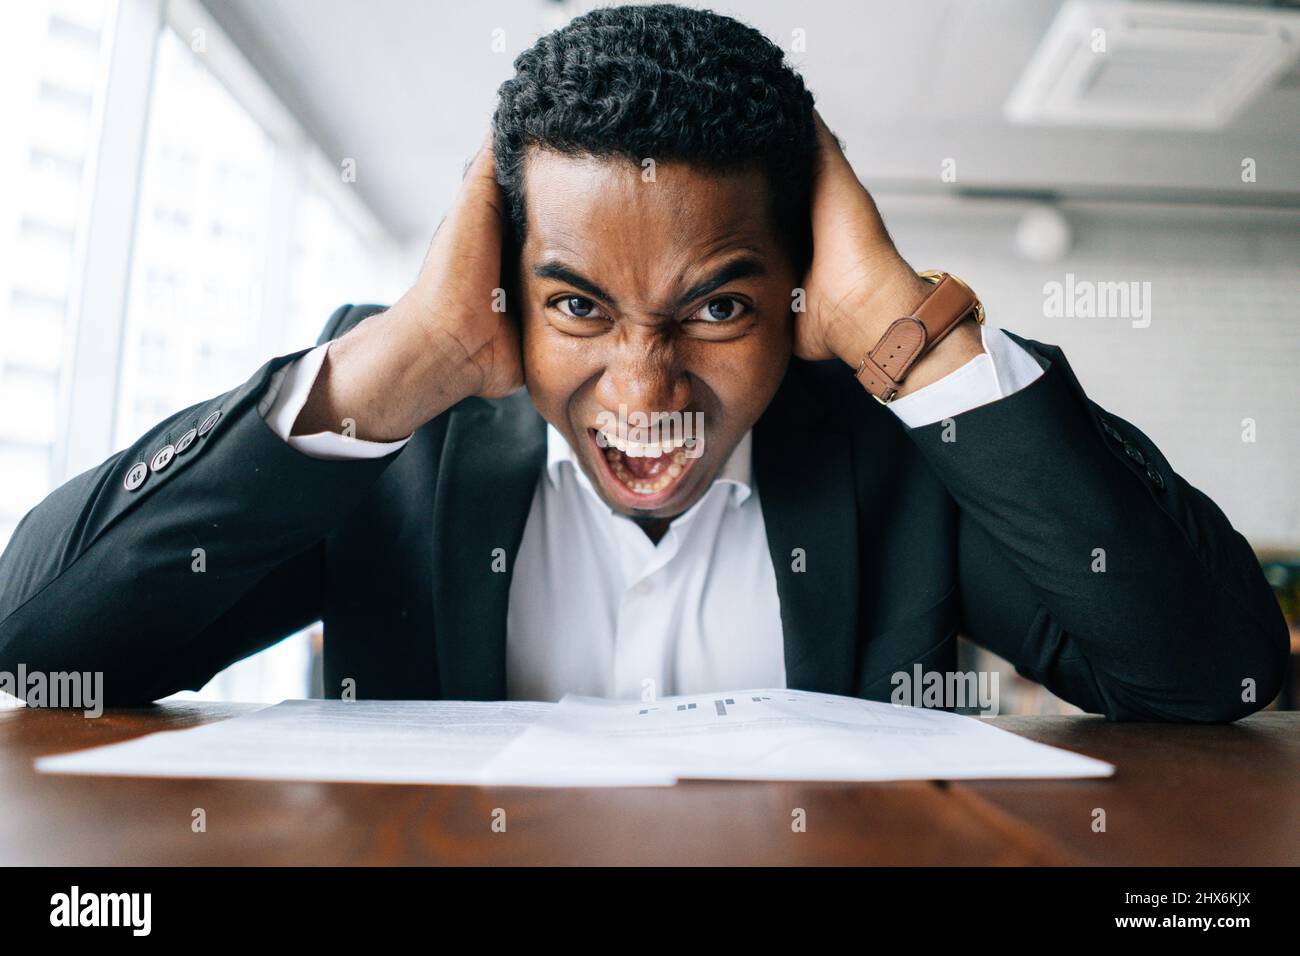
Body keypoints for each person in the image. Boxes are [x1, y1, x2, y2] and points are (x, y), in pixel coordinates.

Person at [0, 5, 1286, 719]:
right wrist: (389, 363)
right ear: (503, 286)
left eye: (716, 310)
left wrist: (913, 326)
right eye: (577, 308)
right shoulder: (390, 436)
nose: (643, 388)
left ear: (797, 295)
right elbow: (35, 643)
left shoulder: (892, 451)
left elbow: (1213, 669)